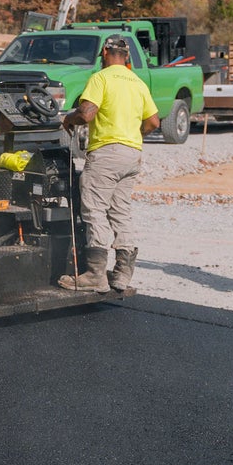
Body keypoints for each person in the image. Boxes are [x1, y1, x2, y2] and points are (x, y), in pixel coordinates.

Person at [59, 35, 159, 294]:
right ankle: (122, 275)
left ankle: (95, 275)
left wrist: (69, 120)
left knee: (94, 210)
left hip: (106, 153)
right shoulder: (137, 82)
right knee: (121, 212)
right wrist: (132, 136)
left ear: (104, 52)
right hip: (132, 154)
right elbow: (154, 122)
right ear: (126, 56)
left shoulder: (100, 78)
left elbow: (87, 113)